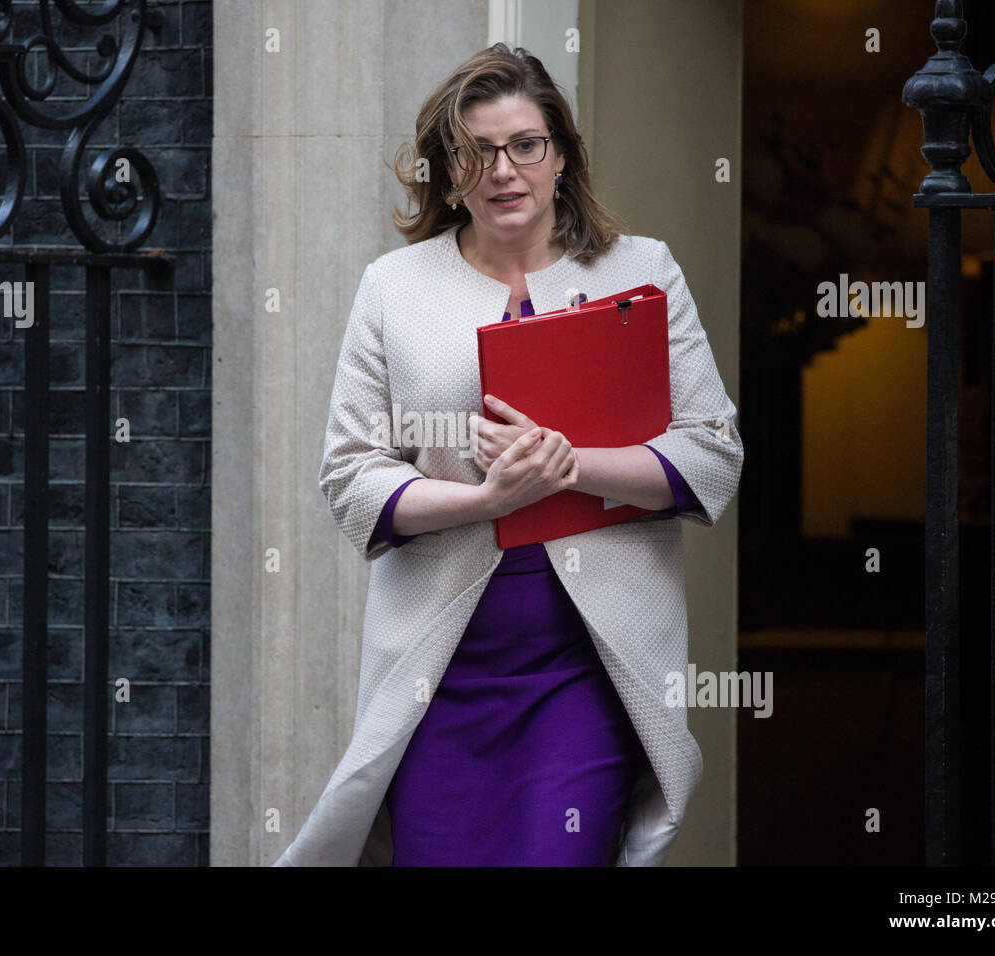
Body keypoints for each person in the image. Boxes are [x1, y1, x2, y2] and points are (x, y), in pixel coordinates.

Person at [273, 43, 743, 867]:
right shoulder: (394, 286)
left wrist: (571, 466)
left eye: (525, 144)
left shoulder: (643, 271)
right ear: (447, 170)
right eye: (473, 150)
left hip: (584, 666)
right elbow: (351, 475)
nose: (503, 169)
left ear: (560, 154)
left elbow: (711, 455)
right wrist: (485, 502)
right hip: (440, 671)